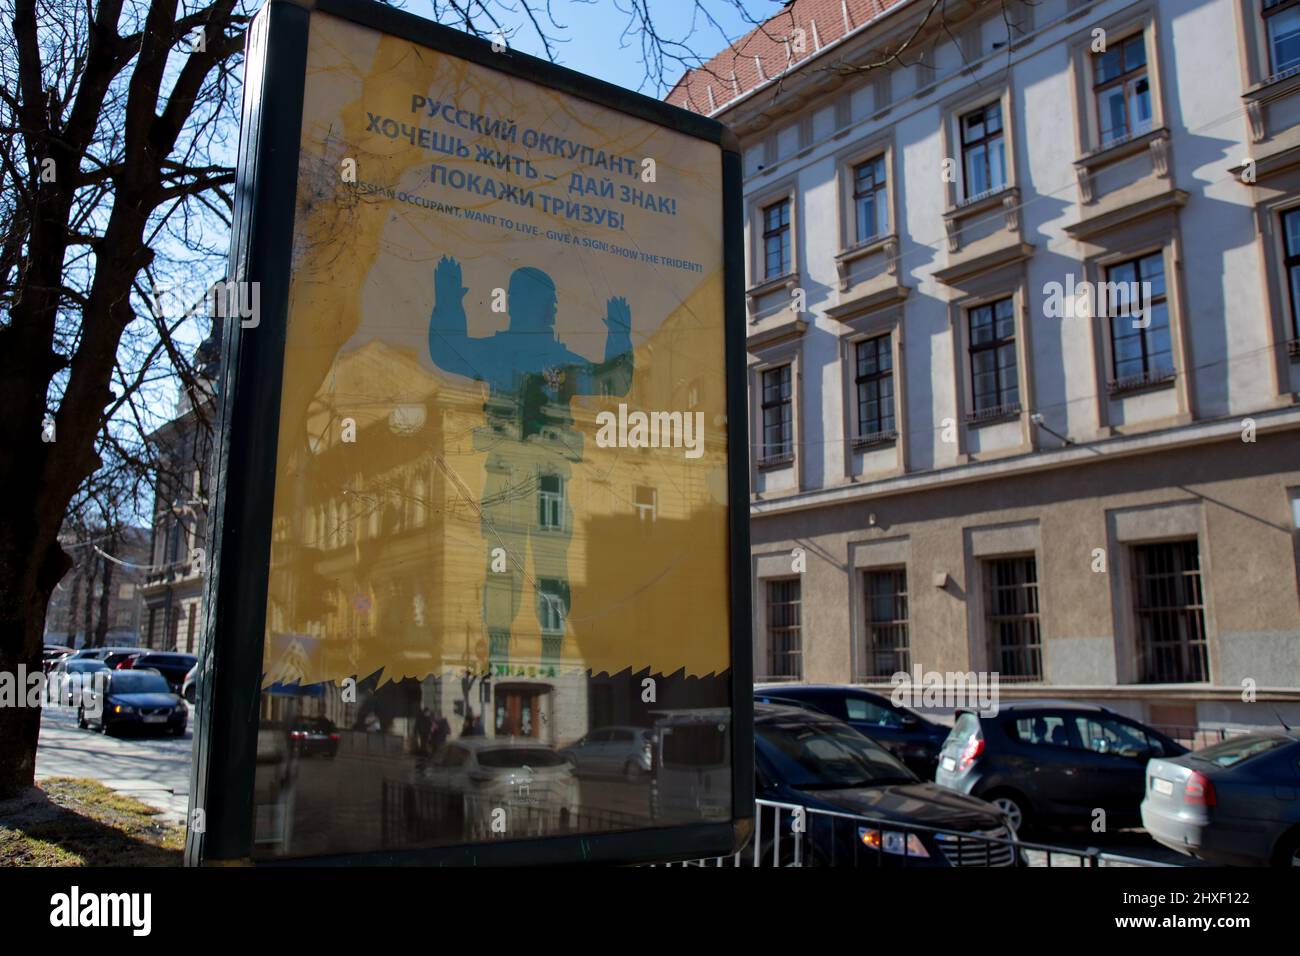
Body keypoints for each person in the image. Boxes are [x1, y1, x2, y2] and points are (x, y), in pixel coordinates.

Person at [428, 256, 634, 663]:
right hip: (514, 472)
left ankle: (549, 653)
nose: (550, 310)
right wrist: (448, 300)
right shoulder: (503, 352)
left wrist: (619, 335)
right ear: (521, 304)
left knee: (546, 567)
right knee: (505, 565)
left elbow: (616, 382)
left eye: (551, 303)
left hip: (544, 476)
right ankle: (503, 650)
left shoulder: (553, 359)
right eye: (545, 302)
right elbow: (447, 352)